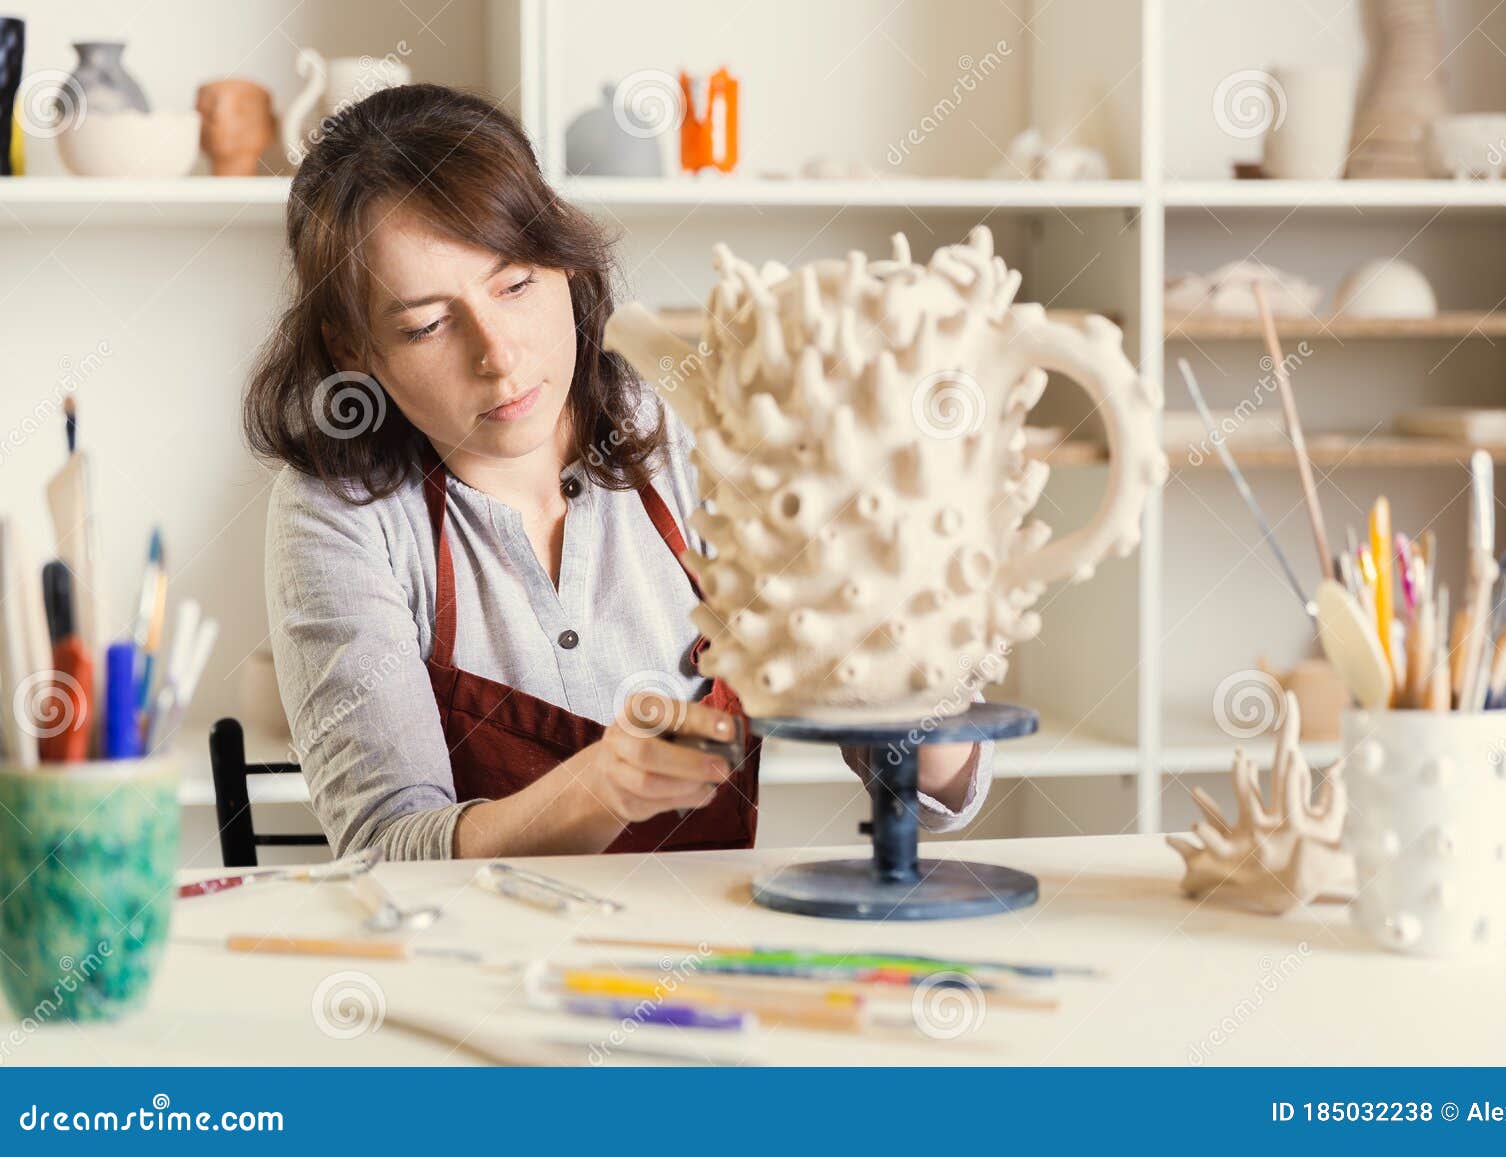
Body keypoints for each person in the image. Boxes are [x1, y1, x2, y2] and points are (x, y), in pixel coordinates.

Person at [245, 84, 993, 860]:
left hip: (703, 960)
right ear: (350, 349)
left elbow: (936, 790)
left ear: (565, 262)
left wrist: (913, 671)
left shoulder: (698, 431)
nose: (497, 354)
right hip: (469, 969)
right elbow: (384, 848)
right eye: (427, 324)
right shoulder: (337, 512)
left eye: (516, 284)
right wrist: (599, 787)